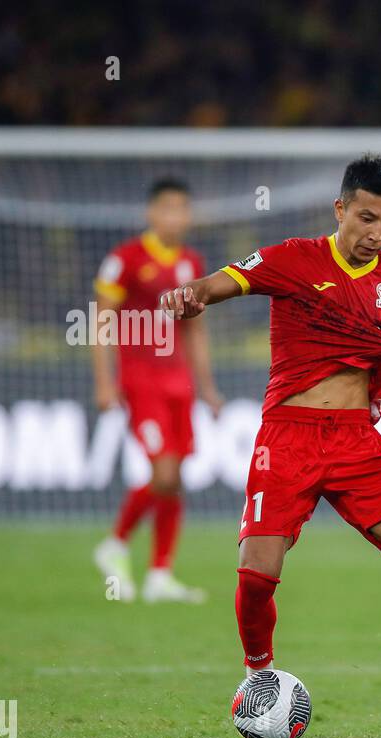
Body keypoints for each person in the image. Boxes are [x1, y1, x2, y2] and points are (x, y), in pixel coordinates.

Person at [158, 155, 381, 738]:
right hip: (288, 436)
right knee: (257, 572)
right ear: (340, 209)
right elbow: (223, 281)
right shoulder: (293, 258)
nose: (376, 233)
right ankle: (259, 678)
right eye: (366, 217)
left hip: (355, 442)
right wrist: (191, 293)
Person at [92, 178, 222, 604]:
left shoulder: (190, 263)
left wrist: (206, 387)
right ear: (151, 213)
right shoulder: (124, 259)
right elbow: (101, 321)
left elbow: (196, 332)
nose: (175, 217)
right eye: (167, 209)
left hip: (178, 384)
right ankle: (115, 545)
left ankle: (160, 574)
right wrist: (105, 381)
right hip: (140, 383)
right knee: (163, 473)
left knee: (176, 478)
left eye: (182, 209)